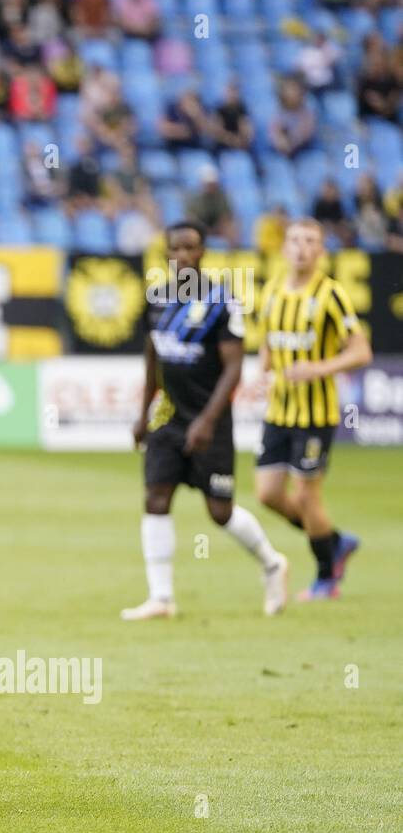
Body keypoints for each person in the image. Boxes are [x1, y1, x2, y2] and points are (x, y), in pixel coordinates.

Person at [124, 222, 288, 621]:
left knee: (220, 510)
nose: (181, 256)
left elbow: (233, 369)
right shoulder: (156, 299)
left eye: (189, 248)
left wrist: (207, 421)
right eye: (174, 248)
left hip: (208, 419)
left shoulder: (221, 301)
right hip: (168, 415)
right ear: (166, 253)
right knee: (155, 497)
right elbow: (153, 360)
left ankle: (271, 563)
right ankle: (161, 598)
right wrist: (144, 413)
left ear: (202, 253)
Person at [254, 218, 373, 600]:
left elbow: (361, 351)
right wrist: (263, 370)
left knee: (307, 496)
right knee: (268, 494)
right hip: (279, 412)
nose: (301, 247)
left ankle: (326, 577)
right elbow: (269, 344)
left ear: (321, 250)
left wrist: (318, 368)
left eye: (310, 241)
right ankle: (335, 541)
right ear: (284, 248)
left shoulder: (331, 294)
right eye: (294, 240)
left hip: (316, 416)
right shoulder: (272, 292)